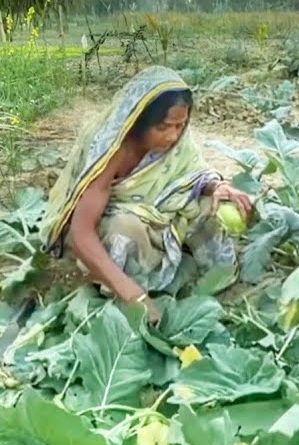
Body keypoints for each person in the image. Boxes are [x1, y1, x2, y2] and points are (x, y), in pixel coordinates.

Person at [39, 67, 253, 321]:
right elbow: (81, 233)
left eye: (180, 125)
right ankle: (121, 285)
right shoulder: (111, 152)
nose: (173, 136)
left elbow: (191, 176)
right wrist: (133, 295)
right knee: (123, 228)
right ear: (139, 121)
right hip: (126, 224)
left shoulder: (178, 144)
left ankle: (208, 278)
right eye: (163, 127)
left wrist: (217, 187)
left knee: (212, 205)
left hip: (161, 217)